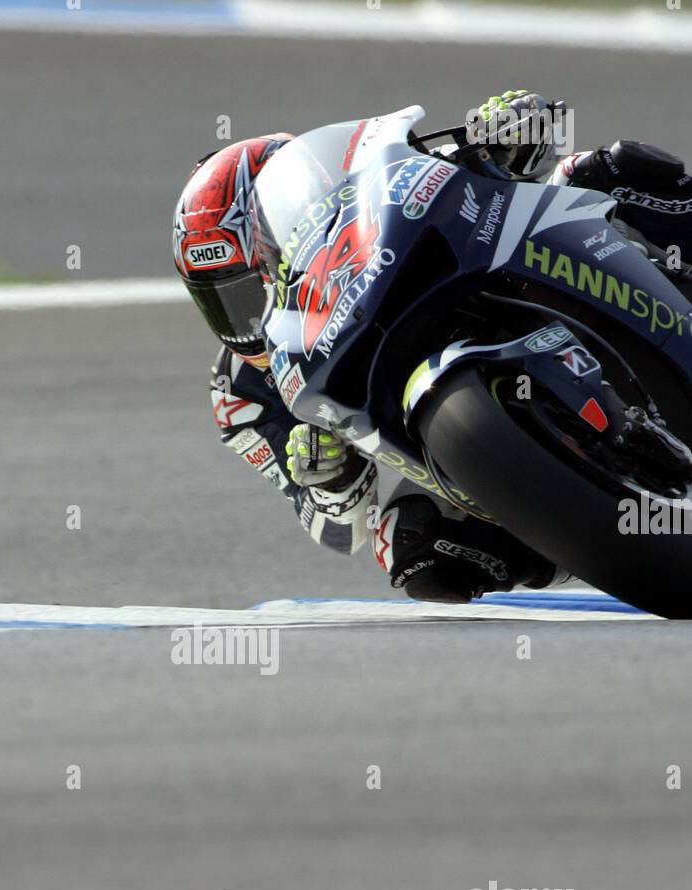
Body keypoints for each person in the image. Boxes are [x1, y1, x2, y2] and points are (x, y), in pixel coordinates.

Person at [172, 92, 692, 601]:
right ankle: (616, 537)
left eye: (255, 280)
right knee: (408, 544)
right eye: (227, 298)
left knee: (604, 170)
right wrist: (330, 480)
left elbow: (504, 160)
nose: (249, 310)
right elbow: (338, 533)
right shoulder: (241, 395)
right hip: (457, 463)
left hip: (489, 273)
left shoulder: (383, 188)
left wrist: (507, 138)